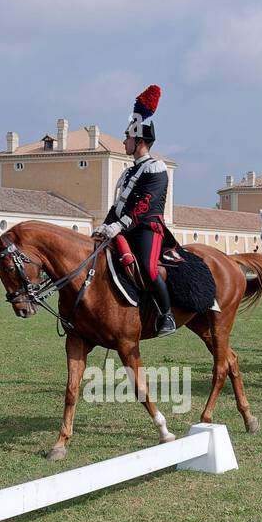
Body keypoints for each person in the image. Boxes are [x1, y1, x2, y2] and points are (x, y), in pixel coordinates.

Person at [94, 84, 176, 337]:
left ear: (139, 141)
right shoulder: (130, 171)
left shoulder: (156, 168)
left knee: (148, 269)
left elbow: (146, 204)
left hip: (146, 229)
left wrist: (120, 225)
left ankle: (166, 316)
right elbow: (119, 205)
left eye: (127, 138)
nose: (123, 141)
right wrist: (105, 224)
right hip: (123, 228)